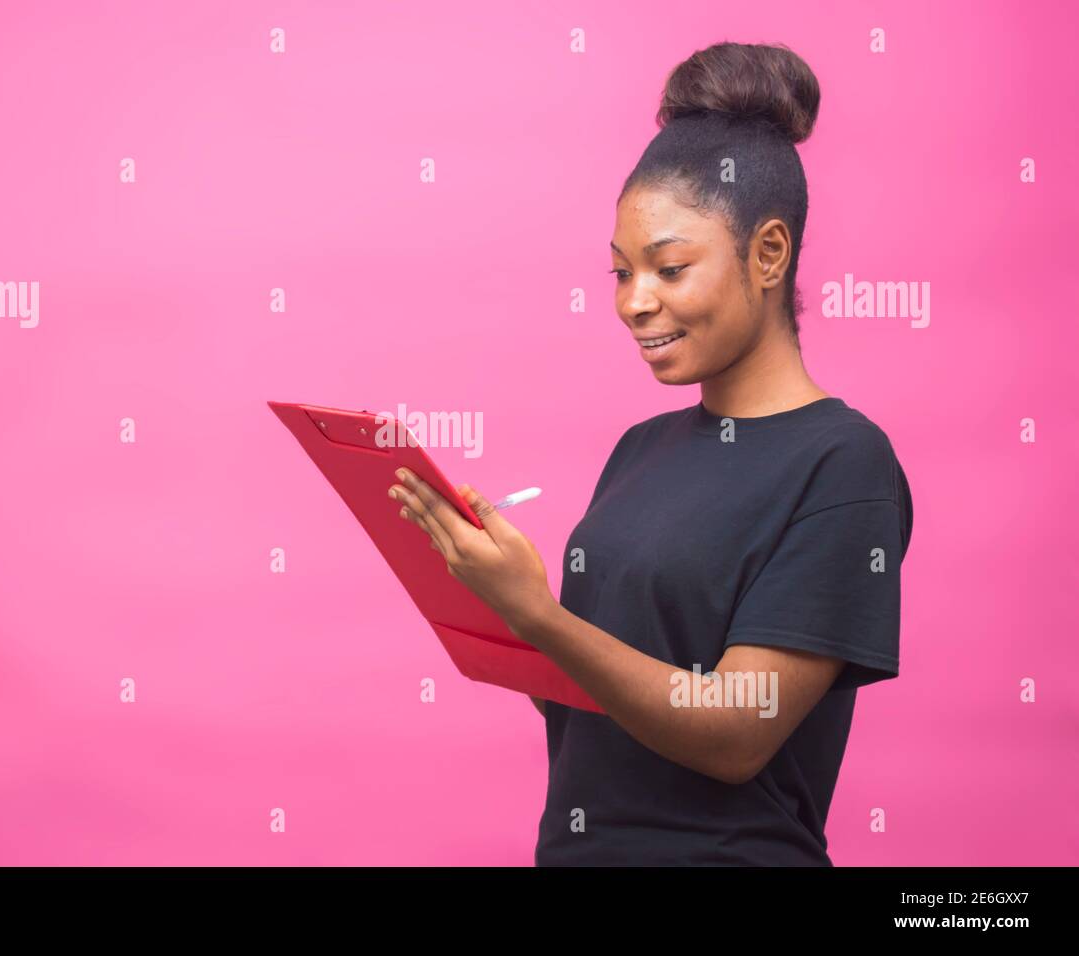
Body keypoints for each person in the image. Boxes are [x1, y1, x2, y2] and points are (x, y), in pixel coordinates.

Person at [387, 41, 913, 866]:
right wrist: (488, 595)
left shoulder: (843, 463)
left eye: (669, 268)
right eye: (620, 271)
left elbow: (737, 732)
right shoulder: (640, 451)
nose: (635, 303)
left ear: (767, 254)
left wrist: (539, 616)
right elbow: (591, 706)